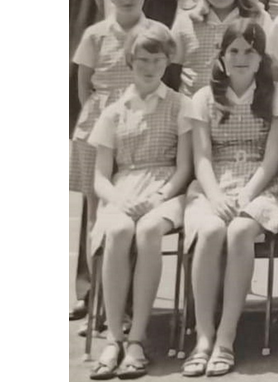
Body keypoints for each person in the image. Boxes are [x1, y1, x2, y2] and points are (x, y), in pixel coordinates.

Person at [70, 0, 177, 321]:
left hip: (149, 110)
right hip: (97, 113)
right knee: (93, 204)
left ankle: (131, 297)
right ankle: (90, 290)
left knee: (137, 199)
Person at [180, 21, 278, 377]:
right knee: (210, 231)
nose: (241, 58)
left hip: (259, 184)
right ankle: (204, 337)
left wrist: (245, 194)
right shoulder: (203, 98)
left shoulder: (275, 95)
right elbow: (202, 158)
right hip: (214, 183)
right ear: (222, 58)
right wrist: (215, 194)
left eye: (250, 51)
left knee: (241, 231)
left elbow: (271, 160)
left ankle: (226, 337)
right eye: (234, 51)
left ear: (261, 59)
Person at [87, 26, 192, 380]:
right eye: (142, 60)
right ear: (130, 61)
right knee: (117, 229)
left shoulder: (181, 105)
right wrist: (119, 199)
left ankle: (137, 337)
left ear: (168, 61)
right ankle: (114, 336)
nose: (149, 67)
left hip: (166, 190)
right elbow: (100, 175)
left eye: (157, 60)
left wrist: (159, 197)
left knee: (148, 231)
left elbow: (184, 168)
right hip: (124, 189)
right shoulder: (113, 110)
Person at [173, 0, 272, 95]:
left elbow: (270, 65)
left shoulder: (258, 18)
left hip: (243, 108)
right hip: (194, 107)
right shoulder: (186, 20)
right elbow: (172, 69)